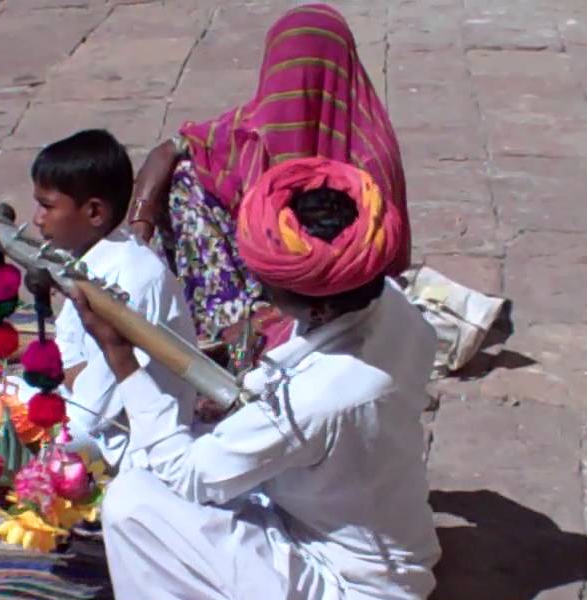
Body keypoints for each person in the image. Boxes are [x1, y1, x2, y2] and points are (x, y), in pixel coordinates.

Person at [66, 155, 440, 600]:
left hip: (352, 594)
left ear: (320, 307)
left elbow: (188, 475)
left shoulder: (318, 397)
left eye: (268, 286)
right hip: (389, 550)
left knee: (132, 499)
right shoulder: (394, 306)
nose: (257, 292)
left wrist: (120, 356)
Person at [128, 3, 410, 349]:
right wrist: (138, 229)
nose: (290, 94)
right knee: (185, 178)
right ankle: (220, 321)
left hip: (325, 294)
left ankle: (245, 337)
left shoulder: (367, 157)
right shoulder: (255, 123)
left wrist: (271, 318)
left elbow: (365, 272)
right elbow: (170, 150)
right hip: (261, 271)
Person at [0, 129, 198, 470]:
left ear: (95, 213)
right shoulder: (85, 260)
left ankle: (20, 471)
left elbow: (93, 410)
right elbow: (72, 361)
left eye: (47, 206)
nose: (38, 217)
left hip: (125, 444)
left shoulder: (133, 278)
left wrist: (64, 375)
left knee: (12, 425)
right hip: (79, 407)